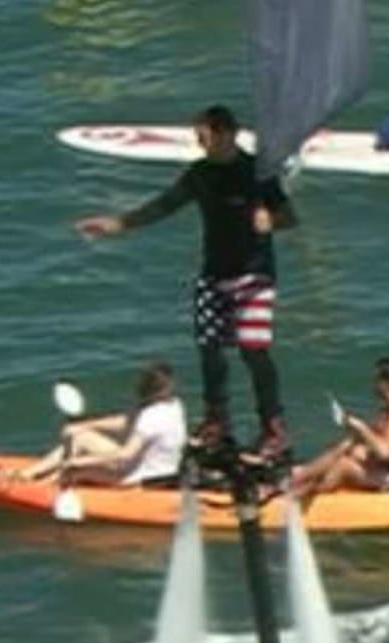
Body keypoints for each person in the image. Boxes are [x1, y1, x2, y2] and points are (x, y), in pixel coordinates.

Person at [74, 105, 299, 463]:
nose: (199, 144)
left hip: (254, 275)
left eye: (204, 138)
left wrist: (269, 221)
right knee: (209, 348)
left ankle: (273, 428)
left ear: (227, 134)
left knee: (252, 349)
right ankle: (216, 422)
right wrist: (119, 223)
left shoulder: (257, 173)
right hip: (214, 272)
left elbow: (289, 217)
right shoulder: (200, 174)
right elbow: (164, 205)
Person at [3, 362, 187, 486]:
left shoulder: (151, 417)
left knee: (75, 472)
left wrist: (79, 462)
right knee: (81, 437)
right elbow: (125, 422)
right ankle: (27, 474)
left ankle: (38, 487)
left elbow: (125, 454)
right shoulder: (174, 404)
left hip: (141, 475)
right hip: (158, 466)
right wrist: (86, 425)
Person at [291, 357, 389, 497]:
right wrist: (358, 435)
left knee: (344, 465)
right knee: (349, 446)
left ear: (385, 384)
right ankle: (302, 476)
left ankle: (312, 494)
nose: (373, 385)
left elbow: (386, 452)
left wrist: (362, 428)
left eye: (376, 380)